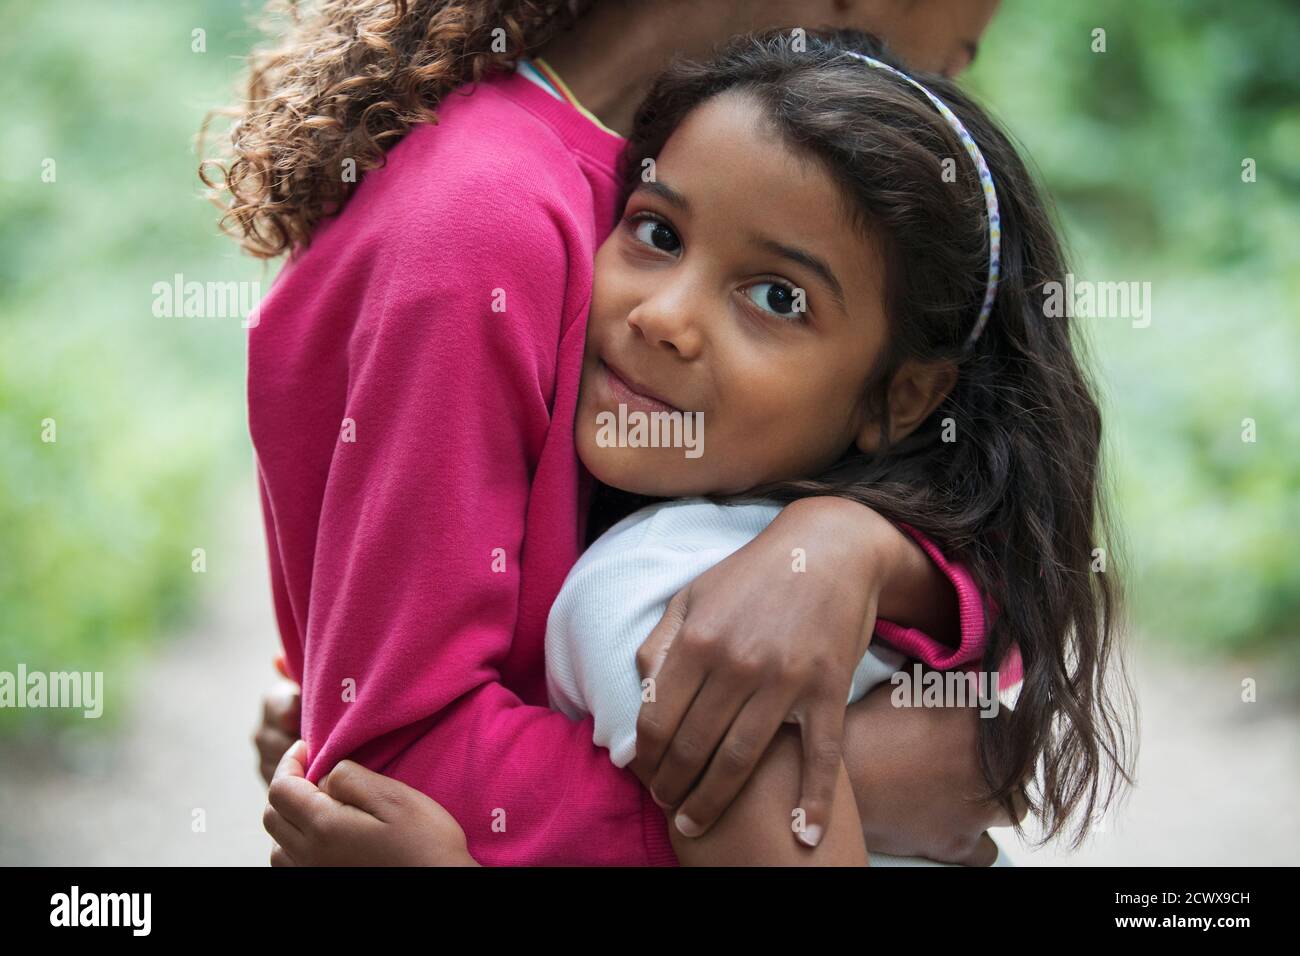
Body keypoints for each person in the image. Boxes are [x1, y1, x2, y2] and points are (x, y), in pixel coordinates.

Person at [213, 0, 1026, 867]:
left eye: (776, 298)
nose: (667, 317)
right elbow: (390, 769)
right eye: (956, 61)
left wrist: (856, 554)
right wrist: (828, 784)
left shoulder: (688, 175)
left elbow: (1015, 633)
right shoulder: (485, 217)